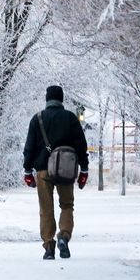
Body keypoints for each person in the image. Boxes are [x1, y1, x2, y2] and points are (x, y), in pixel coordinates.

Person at [22, 85, 90, 260]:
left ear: (47, 99)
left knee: (46, 209)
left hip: (43, 171)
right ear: (61, 99)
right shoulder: (70, 118)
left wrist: (27, 170)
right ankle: (64, 236)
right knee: (67, 205)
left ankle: (49, 247)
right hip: (65, 170)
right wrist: (84, 169)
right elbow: (81, 145)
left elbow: (29, 147)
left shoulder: (37, 119)